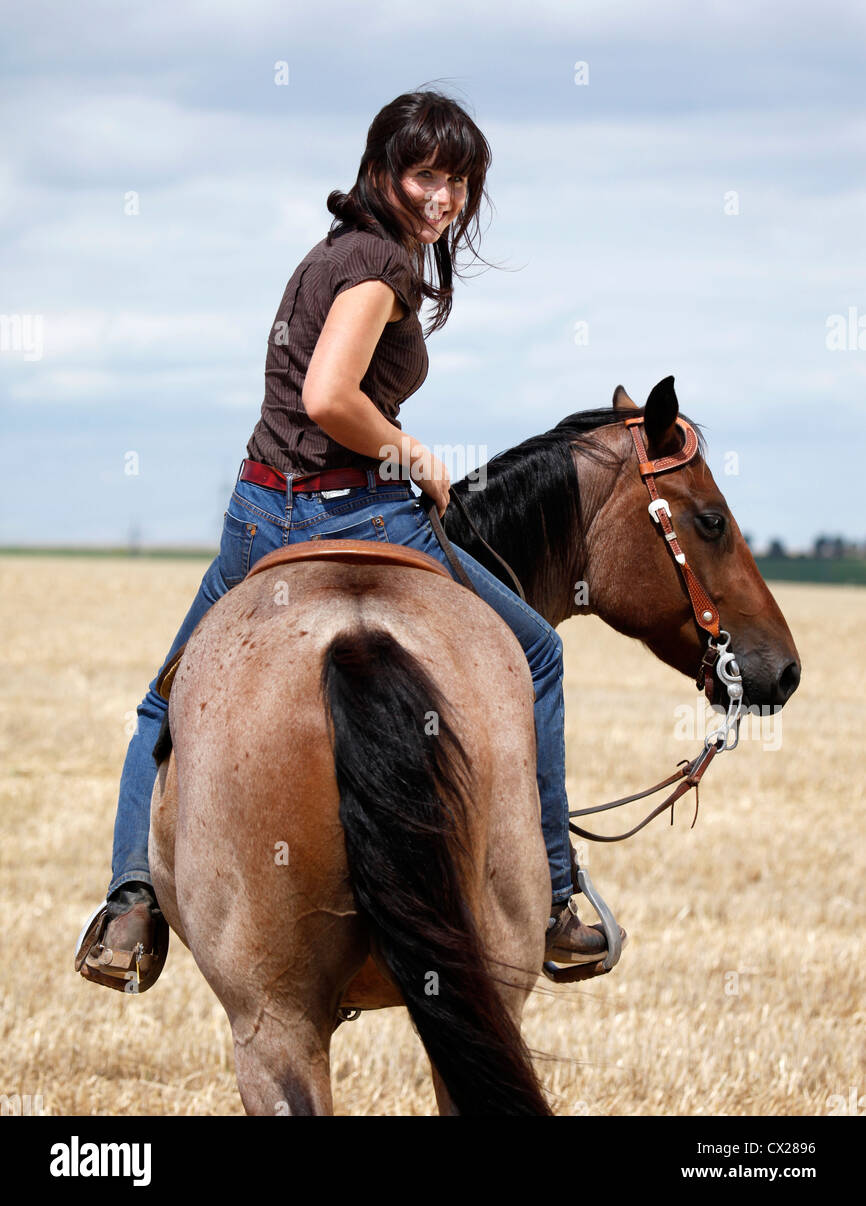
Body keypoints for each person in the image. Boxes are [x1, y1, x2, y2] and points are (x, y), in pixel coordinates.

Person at [75, 88, 623, 992]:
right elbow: (330, 397)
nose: (441, 198)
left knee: (160, 706)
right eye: (424, 174)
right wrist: (411, 452)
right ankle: (560, 897)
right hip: (354, 512)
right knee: (535, 654)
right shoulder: (382, 270)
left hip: (259, 515)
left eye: (457, 180)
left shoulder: (333, 253)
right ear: (383, 169)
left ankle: (132, 905)